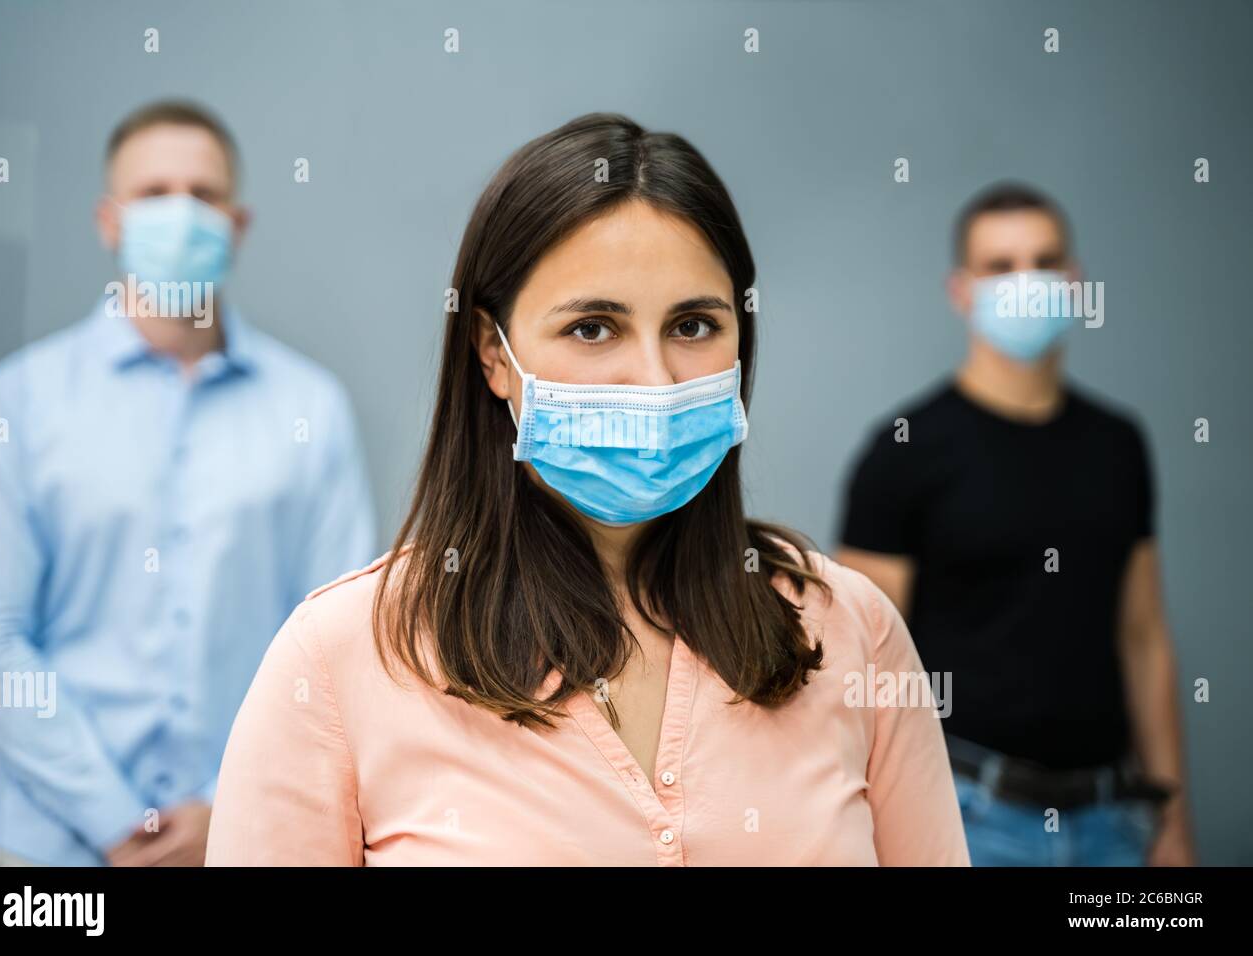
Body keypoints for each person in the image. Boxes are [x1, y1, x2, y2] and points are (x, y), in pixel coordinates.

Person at [205, 113, 969, 866]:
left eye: (694, 326)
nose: (654, 378)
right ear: (492, 354)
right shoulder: (343, 658)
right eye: (594, 328)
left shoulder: (850, 631)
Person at [0, 100, 377, 866]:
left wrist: (228, 807)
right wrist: (118, 819)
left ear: (237, 224)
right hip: (43, 852)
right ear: (109, 221)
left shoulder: (310, 408)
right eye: (153, 194)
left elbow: (341, 642)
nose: (180, 212)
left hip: (250, 838)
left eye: (204, 194)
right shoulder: (19, 400)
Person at [837, 183, 1195, 866]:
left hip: (1111, 820)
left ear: (1075, 280)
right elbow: (863, 662)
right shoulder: (907, 449)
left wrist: (1172, 818)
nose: (1025, 283)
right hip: (966, 814)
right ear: (961, 289)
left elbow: (1144, 637)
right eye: (1000, 267)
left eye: (1044, 260)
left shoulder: (1117, 445)